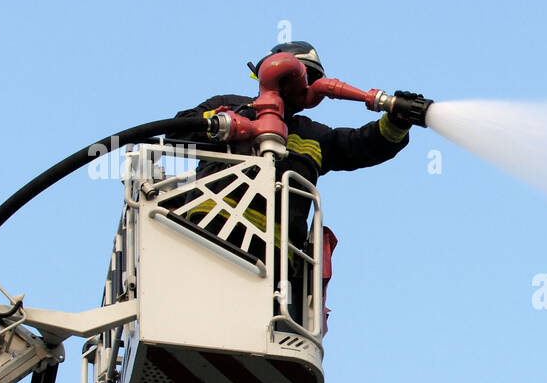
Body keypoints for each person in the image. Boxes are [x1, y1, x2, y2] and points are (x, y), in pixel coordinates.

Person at [174, 41, 419, 332]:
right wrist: (226, 122)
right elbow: (178, 131)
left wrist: (397, 121)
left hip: (272, 261)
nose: (303, 87)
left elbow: (364, 145)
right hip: (209, 234)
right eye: (296, 77)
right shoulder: (227, 105)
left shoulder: (314, 135)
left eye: (311, 80)